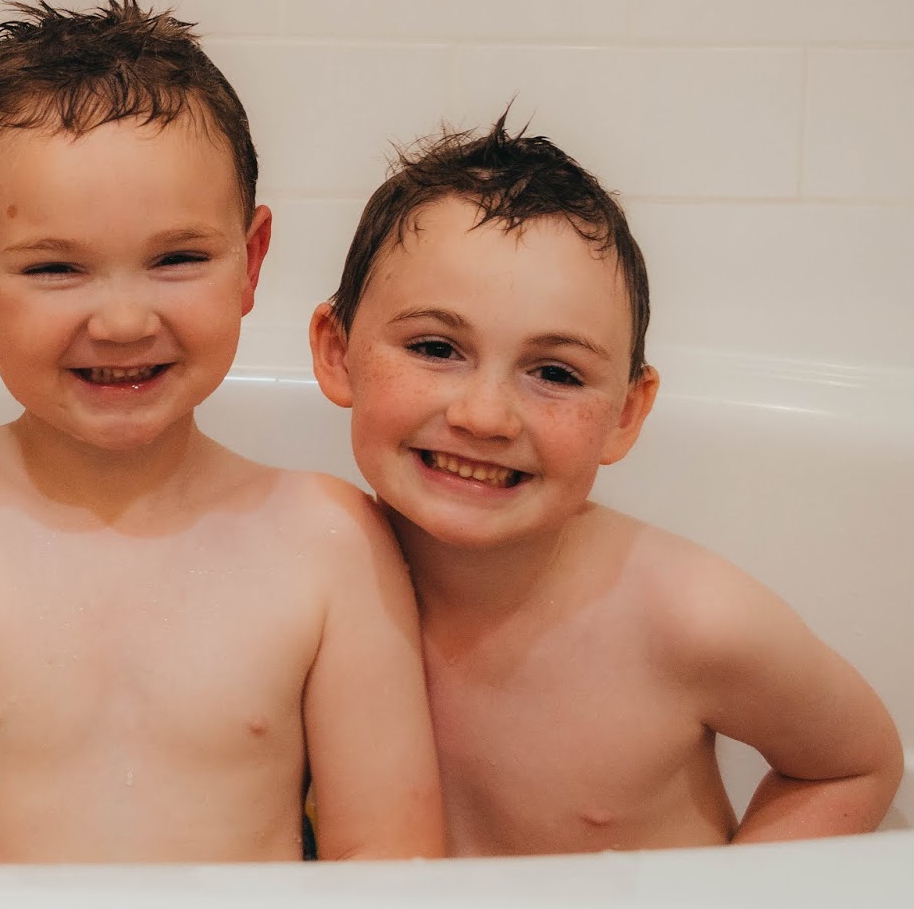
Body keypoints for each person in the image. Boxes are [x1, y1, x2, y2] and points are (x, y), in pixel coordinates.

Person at [0, 0, 442, 864]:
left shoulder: (327, 539)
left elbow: (390, 876)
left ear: (250, 263)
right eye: (56, 268)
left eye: (178, 259)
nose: (126, 320)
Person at [308, 117, 904, 855]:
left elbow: (852, 767)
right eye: (436, 348)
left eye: (554, 373)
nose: (485, 416)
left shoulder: (686, 618)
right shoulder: (313, 577)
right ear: (337, 353)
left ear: (627, 412)